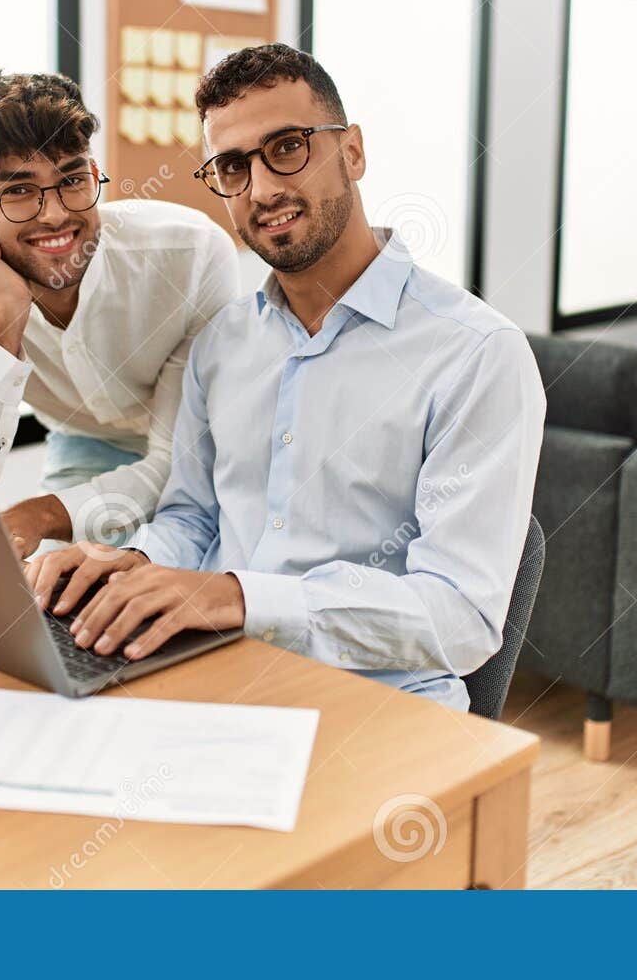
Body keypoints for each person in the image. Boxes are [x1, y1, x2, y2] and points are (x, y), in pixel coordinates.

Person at [27, 44, 546, 711]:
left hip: (376, 708)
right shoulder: (222, 343)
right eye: (233, 167)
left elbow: (461, 617)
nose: (264, 189)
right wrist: (134, 563)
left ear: (353, 152)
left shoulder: (476, 354)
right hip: (209, 674)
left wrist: (242, 599)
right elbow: (193, 515)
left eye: (288, 148)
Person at [0, 71, 240, 555]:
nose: (55, 214)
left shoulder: (190, 255)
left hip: (212, 452)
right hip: (86, 444)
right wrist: (7, 316)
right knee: (57, 599)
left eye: (73, 180)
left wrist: (41, 514)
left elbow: (178, 461)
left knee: (186, 600)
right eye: (18, 191)